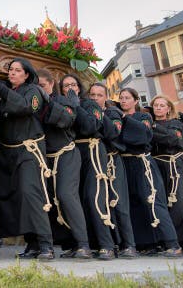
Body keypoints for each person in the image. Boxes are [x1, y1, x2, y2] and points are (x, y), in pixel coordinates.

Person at [0, 58, 55, 260]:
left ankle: (46, 245)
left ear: (27, 74)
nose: (12, 73)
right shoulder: (6, 94)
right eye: (10, 69)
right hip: (8, 152)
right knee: (19, 198)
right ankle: (33, 244)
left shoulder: (33, 91)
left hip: (29, 150)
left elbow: (26, 107)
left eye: (17, 70)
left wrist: (1, 91)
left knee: (31, 194)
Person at [117, 88, 181, 257]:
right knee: (133, 204)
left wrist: (125, 120)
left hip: (142, 161)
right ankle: (146, 243)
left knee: (153, 202)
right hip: (124, 162)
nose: (123, 101)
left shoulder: (144, 117)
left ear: (136, 101)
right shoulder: (116, 117)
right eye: (121, 98)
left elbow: (144, 135)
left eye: (127, 98)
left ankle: (172, 243)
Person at [35, 69, 91, 259]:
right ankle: (68, 244)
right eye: (36, 86)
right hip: (45, 158)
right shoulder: (34, 104)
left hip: (66, 154)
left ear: (51, 84)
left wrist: (47, 101)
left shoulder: (62, 101)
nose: (39, 89)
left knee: (67, 195)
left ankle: (83, 244)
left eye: (42, 85)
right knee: (49, 201)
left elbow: (67, 120)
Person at [149, 95, 183, 256]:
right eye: (156, 105)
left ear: (168, 109)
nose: (158, 108)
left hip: (176, 165)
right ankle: (177, 243)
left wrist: (152, 128)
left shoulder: (175, 123)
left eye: (162, 105)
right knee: (165, 205)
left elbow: (173, 139)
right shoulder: (148, 123)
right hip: (157, 166)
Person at [88, 82, 137, 258]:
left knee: (119, 202)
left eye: (99, 95)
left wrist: (100, 115)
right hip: (95, 161)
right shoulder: (88, 112)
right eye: (92, 95)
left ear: (106, 97)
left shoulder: (112, 113)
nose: (94, 98)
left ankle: (129, 244)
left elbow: (113, 133)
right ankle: (109, 244)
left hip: (112, 161)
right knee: (99, 202)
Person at [69, 75, 116, 260]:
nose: (70, 88)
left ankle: (107, 245)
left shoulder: (90, 106)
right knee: (78, 198)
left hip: (92, 149)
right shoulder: (66, 103)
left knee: (95, 196)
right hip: (73, 152)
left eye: (73, 85)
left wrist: (77, 106)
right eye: (66, 86)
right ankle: (85, 244)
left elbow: (90, 126)